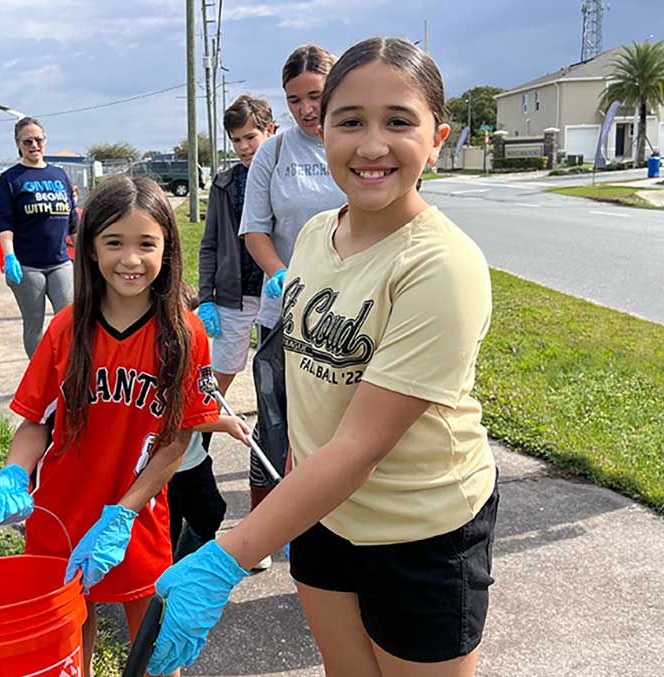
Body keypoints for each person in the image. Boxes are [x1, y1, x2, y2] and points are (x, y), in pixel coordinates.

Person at [148, 37, 498, 677]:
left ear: (438, 137)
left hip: (418, 529)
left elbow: (361, 444)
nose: (370, 145)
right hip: (319, 509)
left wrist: (230, 554)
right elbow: (310, 385)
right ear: (320, 131)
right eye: (350, 121)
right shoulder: (313, 235)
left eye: (398, 121)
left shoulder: (441, 264)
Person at [0, 175, 219, 677]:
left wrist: (124, 514)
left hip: (135, 518)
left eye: (145, 244)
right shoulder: (66, 329)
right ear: (88, 249)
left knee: (154, 646)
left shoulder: (185, 333)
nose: (130, 260)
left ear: (167, 249)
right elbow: (34, 423)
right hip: (59, 517)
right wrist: (13, 474)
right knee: (67, 645)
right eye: (114, 242)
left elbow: (177, 440)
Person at [238, 45, 346, 559]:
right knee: (276, 422)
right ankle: (263, 532)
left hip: (350, 314)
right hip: (284, 312)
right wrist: (280, 274)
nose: (306, 109)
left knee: (341, 425)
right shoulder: (273, 153)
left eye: (316, 96)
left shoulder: (355, 143)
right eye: (294, 99)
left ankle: (335, 530)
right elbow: (255, 229)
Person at [197, 95, 276, 400]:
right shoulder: (224, 183)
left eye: (250, 137)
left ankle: (273, 443)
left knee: (277, 380)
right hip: (235, 294)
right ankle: (195, 445)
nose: (243, 147)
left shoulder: (284, 178)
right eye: (236, 140)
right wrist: (206, 298)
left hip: (278, 290)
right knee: (217, 379)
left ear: (269, 130)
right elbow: (210, 244)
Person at [169, 282, 252, 561]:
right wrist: (223, 423)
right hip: (165, 470)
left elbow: (203, 398)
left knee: (211, 512)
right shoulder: (159, 362)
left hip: (194, 460)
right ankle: (164, 583)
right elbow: (182, 416)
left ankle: (187, 564)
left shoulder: (194, 352)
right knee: (166, 530)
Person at [0, 117, 78, 358]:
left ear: (45, 141)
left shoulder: (59, 175)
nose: (34, 145)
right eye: (27, 141)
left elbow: (73, 221)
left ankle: (67, 373)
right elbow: (5, 223)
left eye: (38, 139)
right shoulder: (11, 179)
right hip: (27, 266)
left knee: (67, 321)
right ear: (18, 144)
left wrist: (86, 255)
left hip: (60, 262)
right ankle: (38, 379)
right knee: (34, 324)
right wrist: (9, 256)